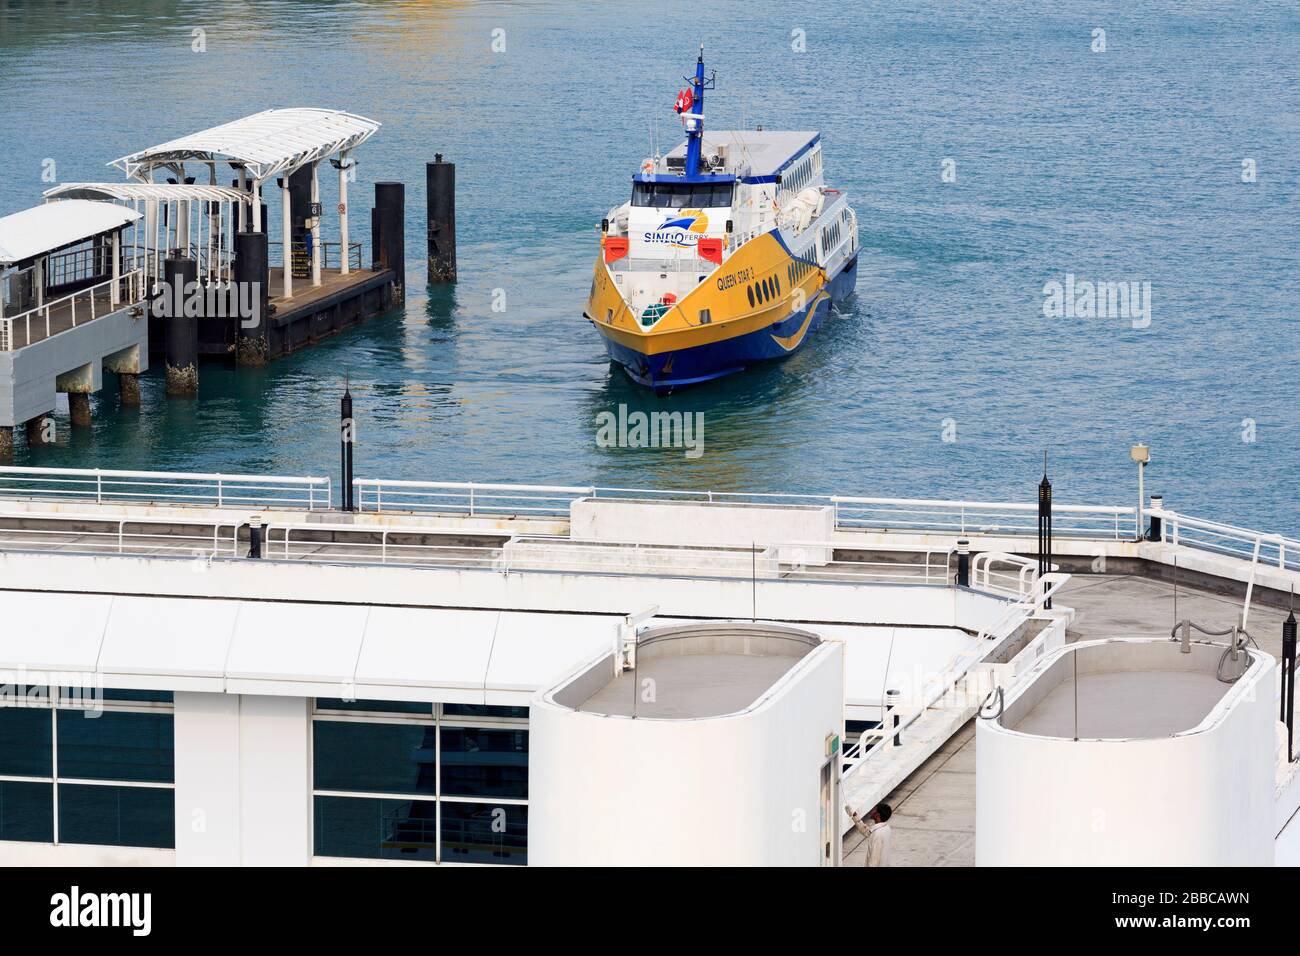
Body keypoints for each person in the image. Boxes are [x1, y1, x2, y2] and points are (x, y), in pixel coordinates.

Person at [848, 802, 892, 867]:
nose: (872, 811)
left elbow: (874, 860)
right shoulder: (886, 828)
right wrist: (855, 816)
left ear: (877, 815)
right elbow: (867, 832)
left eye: (874, 810)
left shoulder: (878, 834)